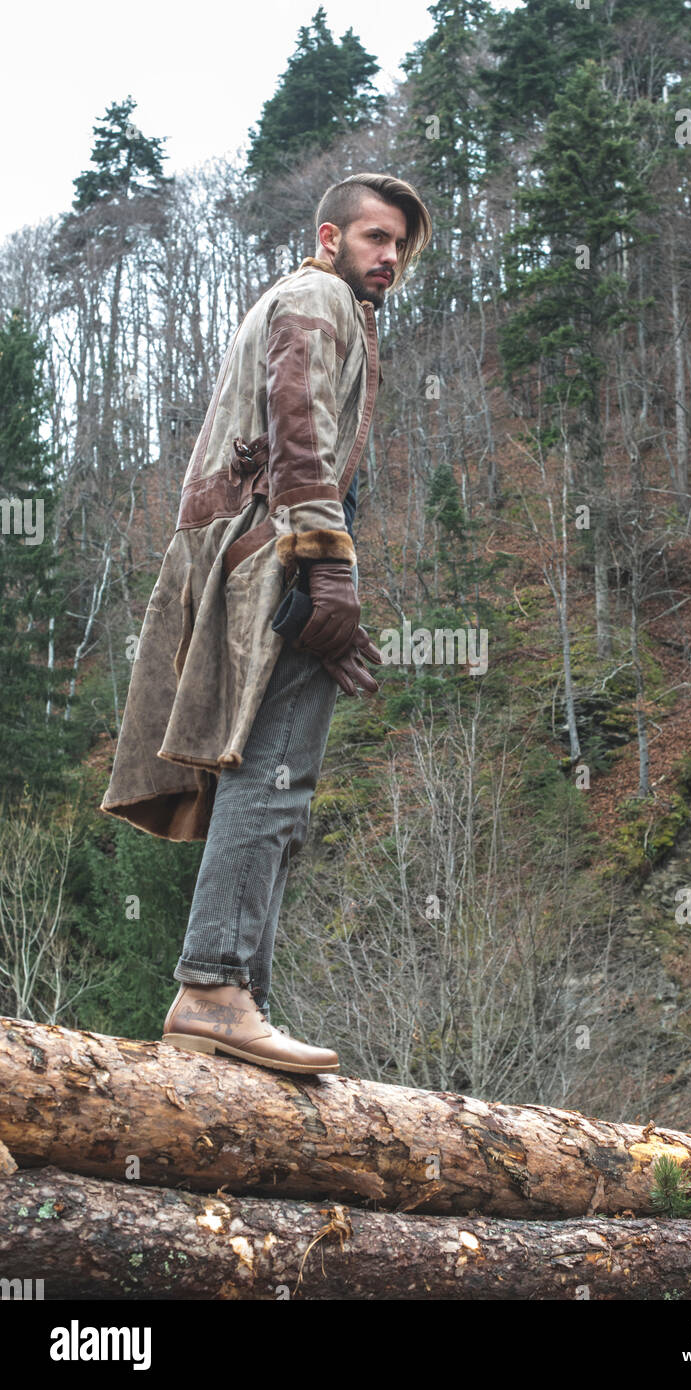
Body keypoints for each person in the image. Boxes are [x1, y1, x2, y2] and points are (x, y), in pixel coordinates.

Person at [99, 173, 432, 1074]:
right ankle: (214, 989)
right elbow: (298, 423)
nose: (388, 256)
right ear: (329, 237)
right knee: (274, 775)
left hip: (256, 548)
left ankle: (235, 994)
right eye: (373, 237)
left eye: (399, 244)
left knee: (273, 773)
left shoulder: (315, 302)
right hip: (274, 553)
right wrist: (327, 567)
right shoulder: (316, 296)